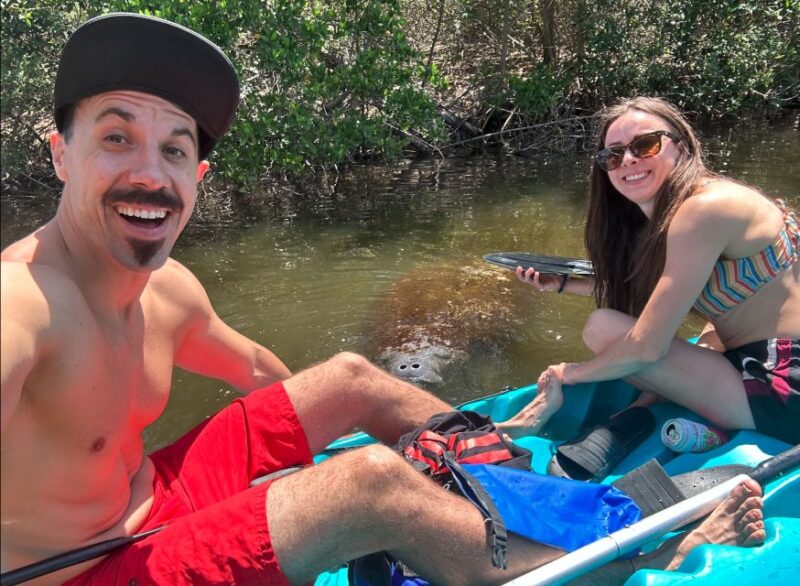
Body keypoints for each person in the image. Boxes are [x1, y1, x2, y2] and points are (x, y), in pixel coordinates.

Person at [0, 15, 766, 585]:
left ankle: (512, 483)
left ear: (197, 180)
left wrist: (299, 473)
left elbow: (267, 378)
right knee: (367, 484)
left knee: (349, 377)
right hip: (87, 569)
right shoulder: (19, 303)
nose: (150, 173)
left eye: (175, 148)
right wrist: (338, 497)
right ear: (59, 151)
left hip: (156, 492)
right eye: (115, 137)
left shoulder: (165, 287)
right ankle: (602, 566)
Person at [503, 96, 799, 446]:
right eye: (613, 154)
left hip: (783, 384)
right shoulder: (702, 202)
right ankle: (653, 401)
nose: (627, 159)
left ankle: (650, 403)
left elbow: (647, 348)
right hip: (762, 361)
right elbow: (668, 287)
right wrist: (563, 283)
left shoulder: (702, 211)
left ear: (682, 146)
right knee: (612, 329)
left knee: (604, 329)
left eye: (645, 145)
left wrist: (569, 374)